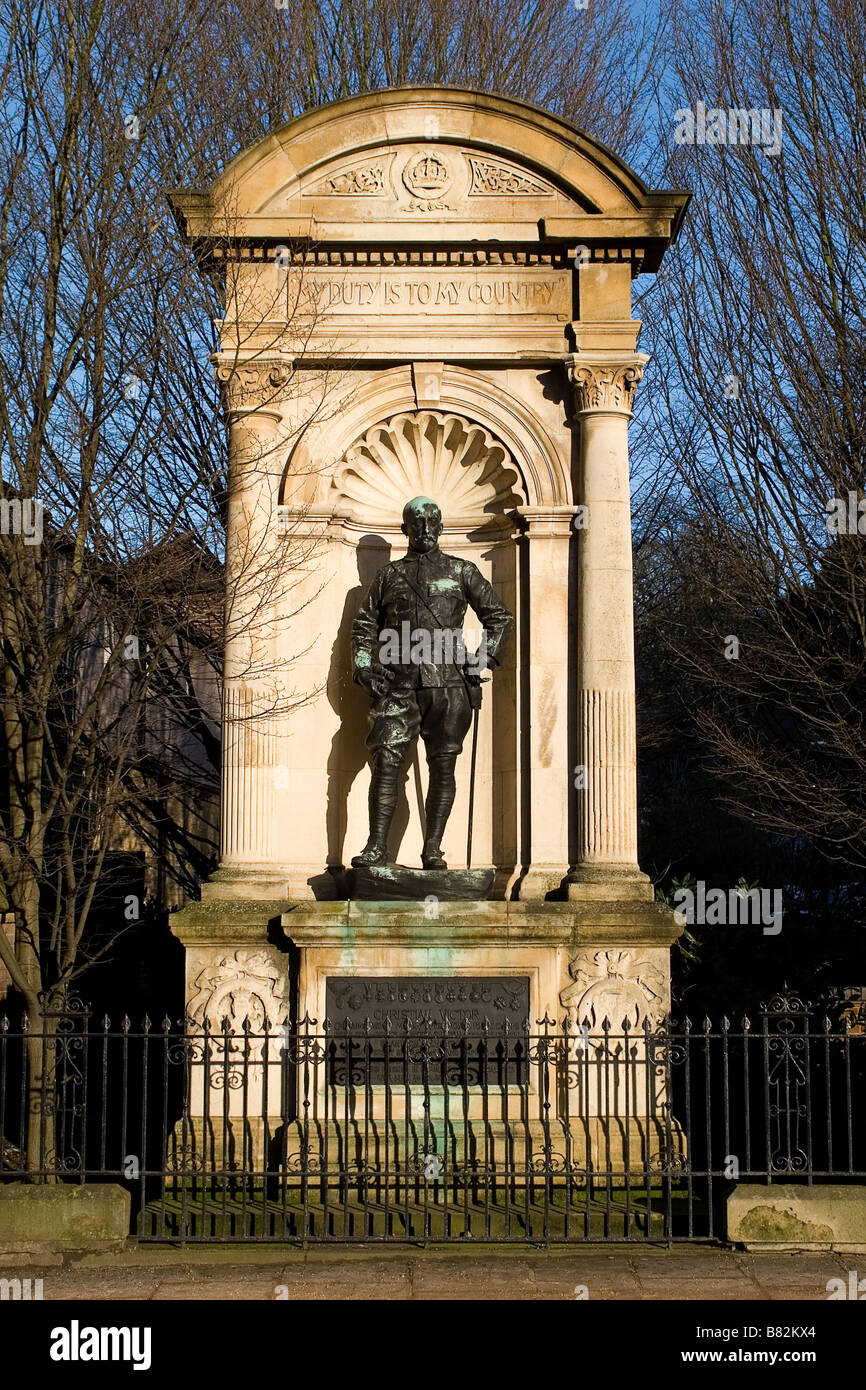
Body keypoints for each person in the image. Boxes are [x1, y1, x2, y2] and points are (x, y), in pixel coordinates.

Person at [351, 496, 513, 869]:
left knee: (444, 765)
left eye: (431, 522)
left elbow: (500, 618)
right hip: (397, 683)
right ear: (405, 528)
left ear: (440, 527)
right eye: (416, 522)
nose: (424, 529)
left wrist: (481, 658)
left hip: (449, 685)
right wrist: (363, 665)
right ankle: (377, 848)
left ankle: (433, 850)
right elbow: (363, 626)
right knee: (386, 762)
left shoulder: (462, 571)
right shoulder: (388, 575)